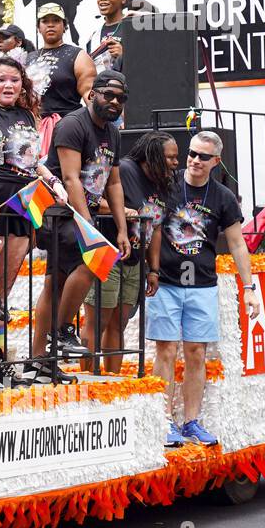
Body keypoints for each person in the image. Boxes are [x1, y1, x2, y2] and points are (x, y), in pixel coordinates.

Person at [150, 131, 260, 447]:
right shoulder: (167, 185)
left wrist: (248, 287)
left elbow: (238, 244)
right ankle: (163, 420)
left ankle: (191, 422)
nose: (195, 160)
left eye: (203, 157)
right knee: (166, 350)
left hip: (202, 284)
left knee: (196, 352)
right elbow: (150, 227)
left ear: (216, 161)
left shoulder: (223, 196)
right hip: (166, 282)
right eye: (192, 154)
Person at [29, 69, 131, 383]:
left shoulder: (111, 131)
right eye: (108, 95)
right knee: (95, 260)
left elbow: (113, 183)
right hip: (57, 211)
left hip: (79, 214)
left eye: (120, 98)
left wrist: (123, 228)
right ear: (91, 94)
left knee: (54, 284)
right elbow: (71, 178)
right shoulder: (73, 125)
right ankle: (60, 332)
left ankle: (39, 360)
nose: (114, 102)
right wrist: (88, 225)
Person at [0, 49, 54, 386]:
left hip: (20, 206)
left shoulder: (29, 117)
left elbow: (33, 162)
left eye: (14, 80)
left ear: (23, 83)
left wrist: (52, 181)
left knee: (2, 288)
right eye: (2, 79)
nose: (8, 85)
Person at [82, 130, 177, 373]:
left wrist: (153, 269)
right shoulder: (123, 169)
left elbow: (155, 229)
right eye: (170, 157)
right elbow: (89, 199)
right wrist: (120, 209)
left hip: (134, 261)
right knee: (97, 323)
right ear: (152, 156)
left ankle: (113, 380)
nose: (176, 163)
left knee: (119, 323)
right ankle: (89, 377)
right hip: (108, 254)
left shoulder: (163, 184)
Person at [25, 2, 97, 145]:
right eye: (45, 21)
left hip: (68, 127)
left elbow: (91, 96)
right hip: (33, 129)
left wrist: (99, 130)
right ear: (38, 27)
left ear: (65, 26)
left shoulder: (78, 55)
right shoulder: (28, 59)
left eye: (56, 21)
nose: (50, 25)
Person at [92, 0, 135, 74]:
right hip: (99, 89)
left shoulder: (134, 27)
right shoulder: (94, 36)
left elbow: (150, 63)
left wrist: (124, 55)